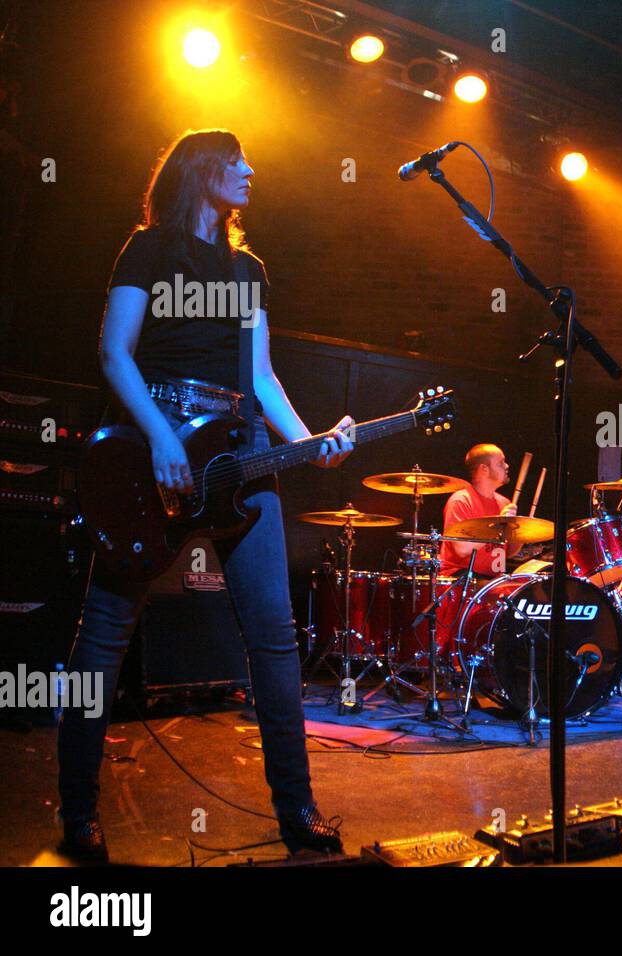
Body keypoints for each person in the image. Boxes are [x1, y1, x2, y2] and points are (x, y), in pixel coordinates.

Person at [58, 129, 354, 863]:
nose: (251, 171)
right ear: (201, 172)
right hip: (150, 443)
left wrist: (310, 440)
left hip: (239, 451)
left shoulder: (248, 268)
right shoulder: (148, 249)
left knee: (276, 639)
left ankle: (298, 809)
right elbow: (113, 351)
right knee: (102, 639)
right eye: (236, 162)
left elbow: (261, 378)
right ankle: (77, 815)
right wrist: (159, 437)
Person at [440, 444, 523, 578]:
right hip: (461, 578)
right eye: (501, 463)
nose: (507, 466)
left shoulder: (504, 503)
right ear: (484, 469)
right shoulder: (461, 501)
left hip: (493, 579)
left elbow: (510, 553)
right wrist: (498, 525)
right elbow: (461, 549)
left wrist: (520, 531)